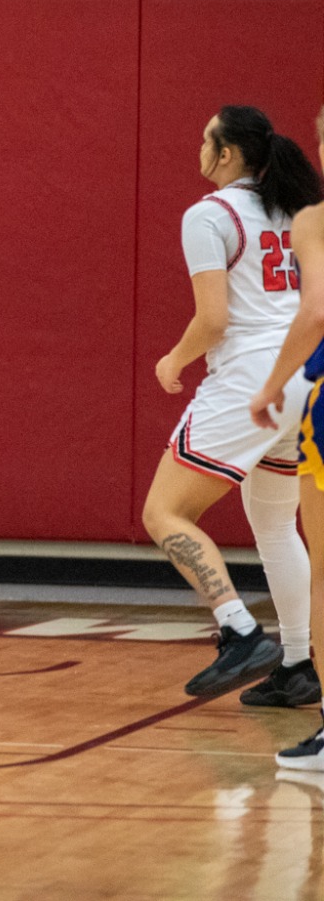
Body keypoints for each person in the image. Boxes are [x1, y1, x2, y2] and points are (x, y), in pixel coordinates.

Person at [141, 106, 322, 700]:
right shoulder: (295, 208)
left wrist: (174, 359)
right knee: (274, 523)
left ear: (225, 155)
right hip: (303, 375)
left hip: (251, 378)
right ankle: (300, 666)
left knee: (163, 513)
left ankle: (239, 630)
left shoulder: (208, 214)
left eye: (204, 140)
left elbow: (214, 319)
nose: (198, 149)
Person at [248, 107, 324, 766]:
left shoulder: (312, 220)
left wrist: (272, 384)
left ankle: (320, 711)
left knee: (320, 565)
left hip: (310, 390)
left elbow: (316, 308)